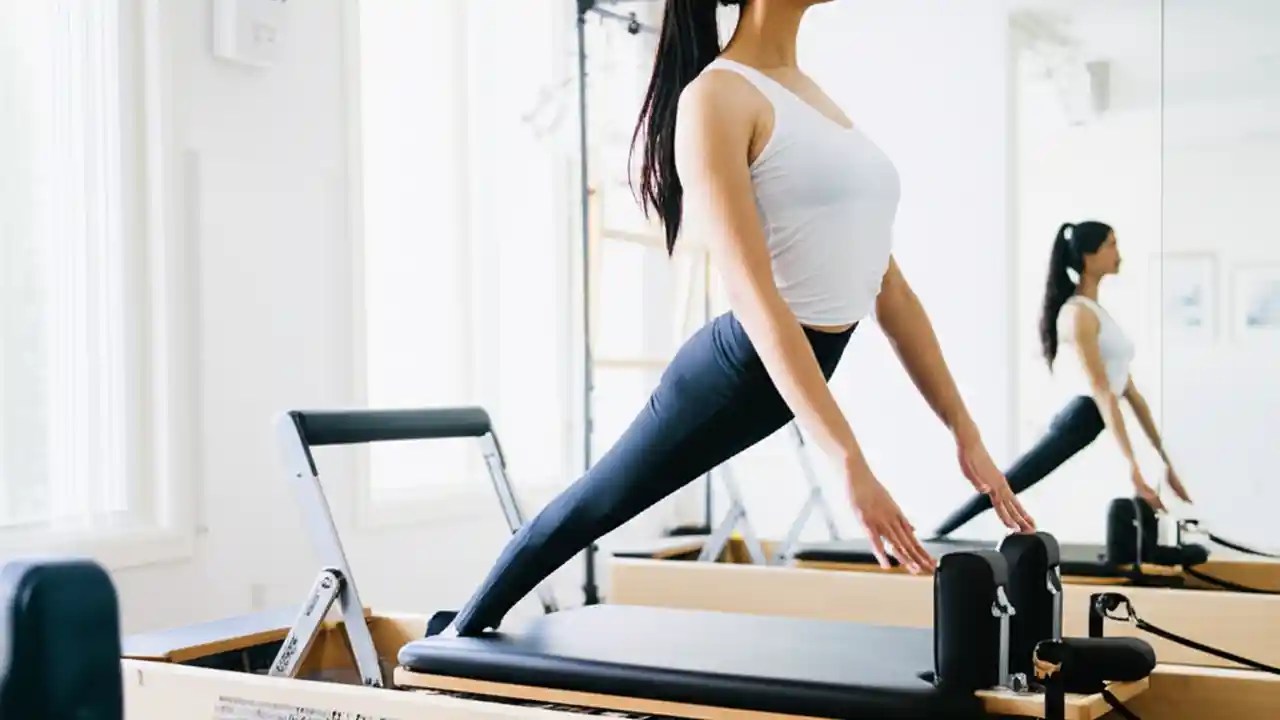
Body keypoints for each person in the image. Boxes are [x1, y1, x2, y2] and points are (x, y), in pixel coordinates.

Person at [445, 0, 1034, 637]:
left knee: (595, 504)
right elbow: (757, 300)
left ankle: (459, 630)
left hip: (794, 366)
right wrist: (848, 461)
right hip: (736, 370)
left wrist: (964, 431)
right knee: (596, 505)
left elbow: (888, 288)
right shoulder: (715, 98)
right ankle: (454, 637)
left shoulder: (809, 94)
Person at [932, 221, 1194, 538]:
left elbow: (1130, 393)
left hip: (1094, 420)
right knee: (1005, 486)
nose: (1119, 253)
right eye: (1111, 244)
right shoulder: (1078, 314)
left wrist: (1166, 463)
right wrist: (1132, 468)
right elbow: (1102, 390)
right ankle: (935, 536)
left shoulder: (1097, 312)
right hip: (1080, 419)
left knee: (1007, 485)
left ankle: (937, 534)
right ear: (1088, 256)